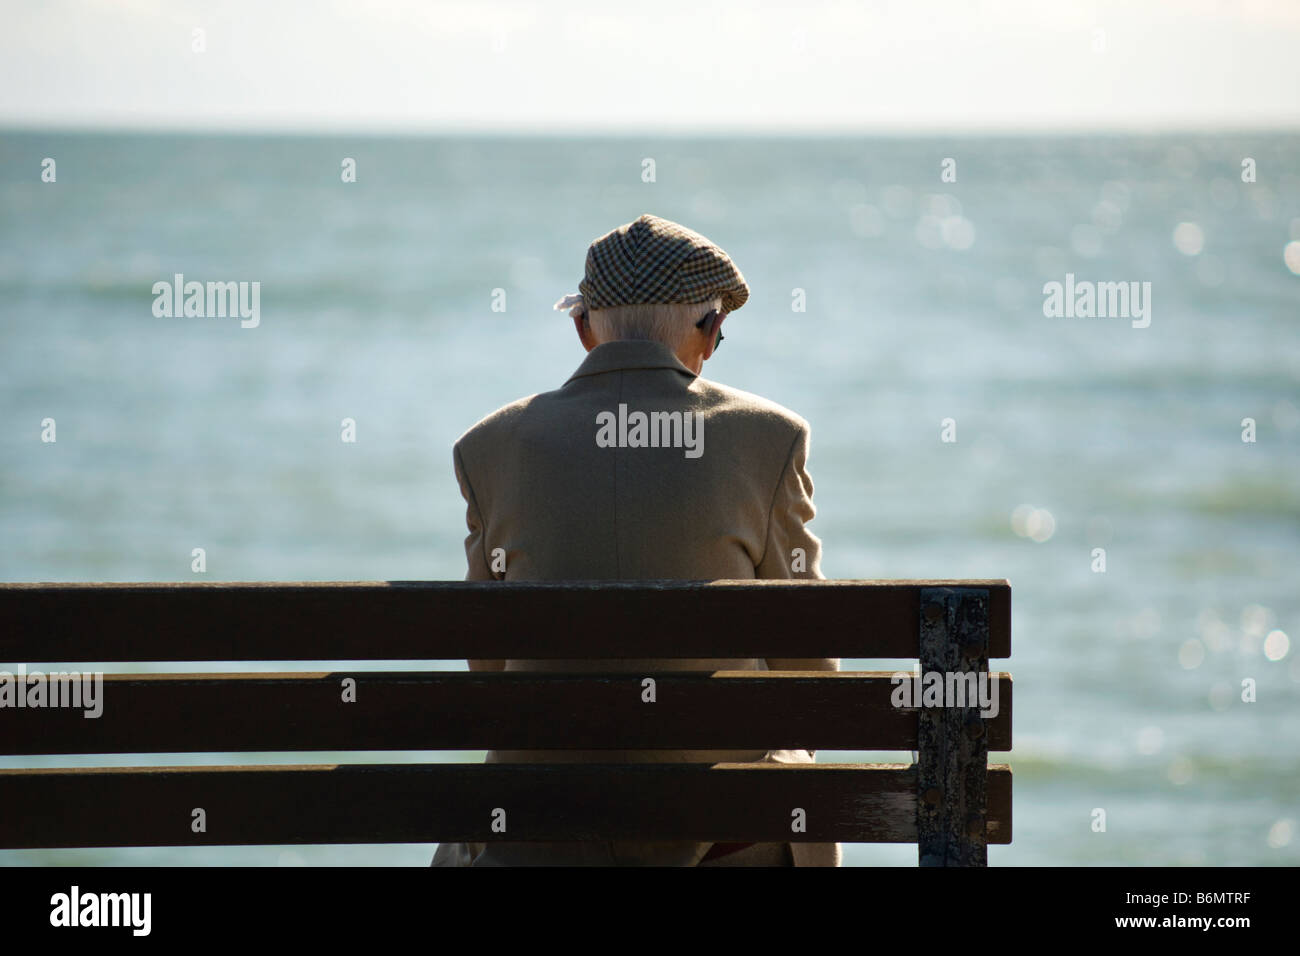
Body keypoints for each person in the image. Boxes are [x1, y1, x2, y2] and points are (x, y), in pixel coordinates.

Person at [431, 213, 839, 866]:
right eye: (718, 332)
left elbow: (490, 670)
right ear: (707, 332)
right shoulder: (771, 438)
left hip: (537, 837)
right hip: (723, 844)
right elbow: (812, 672)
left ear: (583, 329)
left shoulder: (488, 448)